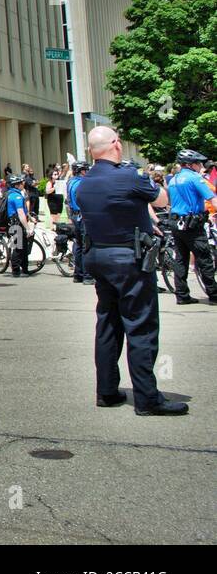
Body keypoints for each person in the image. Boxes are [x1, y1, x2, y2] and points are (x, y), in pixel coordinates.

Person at [77, 125, 186, 416]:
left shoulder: (84, 183)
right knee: (140, 325)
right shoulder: (129, 176)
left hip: (98, 255)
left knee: (108, 324)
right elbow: (162, 199)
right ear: (116, 145)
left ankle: (107, 391)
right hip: (129, 258)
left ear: (91, 151)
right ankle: (148, 399)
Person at [166, 149, 217, 305]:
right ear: (190, 164)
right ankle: (214, 294)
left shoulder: (173, 179)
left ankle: (182, 295)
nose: (200, 166)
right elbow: (212, 198)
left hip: (176, 222)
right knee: (204, 259)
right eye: (198, 163)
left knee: (181, 259)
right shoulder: (195, 178)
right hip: (192, 224)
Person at [66, 160, 90, 284]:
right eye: (86, 170)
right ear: (81, 171)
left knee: (79, 246)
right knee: (86, 245)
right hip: (82, 216)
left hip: (74, 216)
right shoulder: (81, 183)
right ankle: (87, 276)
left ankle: (78, 274)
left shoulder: (70, 182)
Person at [5, 174, 31, 277]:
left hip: (14, 223)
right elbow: (20, 213)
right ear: (16, 185)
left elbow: (23, 211)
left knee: (22, 246)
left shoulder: (11, 194)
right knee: (18, 247)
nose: (23, 184)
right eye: (21, 183)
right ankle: (15, 270)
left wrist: (30, 216)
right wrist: (28, 228)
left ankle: (24, 269)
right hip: (16, 224)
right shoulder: (16, 196)